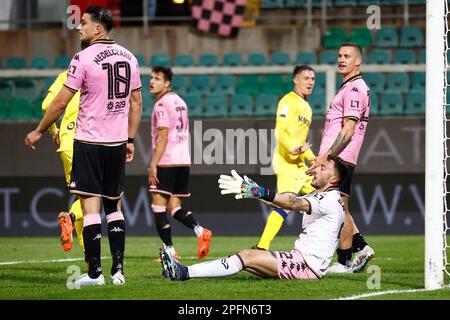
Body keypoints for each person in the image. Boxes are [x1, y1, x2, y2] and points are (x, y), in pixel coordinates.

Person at [25, 5, 142, 286]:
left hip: (89, 142)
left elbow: (61, 101)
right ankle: (118, 273)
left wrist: (40, 130)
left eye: (84, 23)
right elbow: (136, 103)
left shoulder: (83, 57)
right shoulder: (130, 57)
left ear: (98, 28)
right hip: (116, 143)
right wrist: (129, 139)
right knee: (114, 208)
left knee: (90, 209)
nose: (79, 27)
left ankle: (95, 275)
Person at [160, 156, 347, 281]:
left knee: (248, 257)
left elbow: (293, 203)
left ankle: (183, 272)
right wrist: (252, 191)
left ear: (333, 180)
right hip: (302, 262)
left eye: (323, 168)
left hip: (306, 266)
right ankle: (180, 270)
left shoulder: (328, 199)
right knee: (244, 258)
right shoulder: (322, 197)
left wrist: (260, 191)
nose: (315, 170)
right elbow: (280, 204)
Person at [305, 42, 374, 273]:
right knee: (339, 209)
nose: (341, 59)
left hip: (340, 158)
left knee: (339, 210)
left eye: (347, 56)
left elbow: (348, 129)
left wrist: (327, 156)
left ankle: (347, 260)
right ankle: (357, 250)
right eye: (339, 55)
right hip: (338, 157)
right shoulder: (349, 87)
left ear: (358, 61)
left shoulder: (355, 89)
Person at [148, 66, 212, 262]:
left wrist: (153, 164)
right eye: (151, 78)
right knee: (173, 206)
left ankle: (169, 251)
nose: (151, 81)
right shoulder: (180, 102)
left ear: (167, 83)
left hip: (167, 161)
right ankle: (200, 230)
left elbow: (163, 136)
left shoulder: (161, 105)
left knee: (158, 208)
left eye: (157, 78)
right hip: (183, 160)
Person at [255, 65, 316, 250]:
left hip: (300, 165)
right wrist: (292, 149)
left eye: (313, 79)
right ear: (295, 80)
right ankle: (262, 247)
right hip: (286, 163)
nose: (310, 82)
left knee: (324, 198)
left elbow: (302, 142)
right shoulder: (288, 101)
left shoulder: (307, 107)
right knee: (286, 205)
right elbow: (280, 131)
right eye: (306, 78)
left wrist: (314, 160)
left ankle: (344, 247)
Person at [41, 41, 90, 253]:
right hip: (88, 142)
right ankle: (70, 218)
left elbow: (45, 106)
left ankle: (88, 256)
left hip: (67, 143)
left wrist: (54, 131)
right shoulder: (98, 74)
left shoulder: (66, 75)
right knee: (93, 199)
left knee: (82, 198)